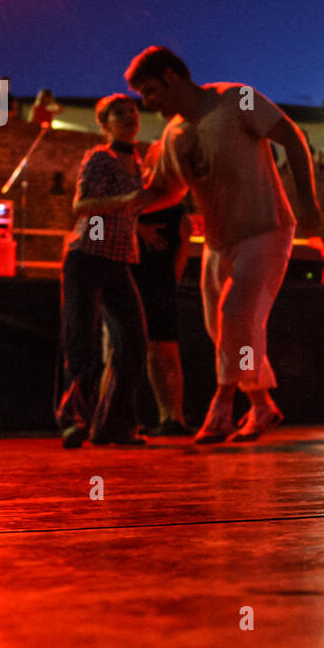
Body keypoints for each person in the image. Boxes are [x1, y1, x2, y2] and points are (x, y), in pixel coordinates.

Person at [127, 46, 322, 444]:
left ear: (170, 77)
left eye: (149, 91)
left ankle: (221, 407)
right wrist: (122, 206)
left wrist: (309, 203)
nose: (147, 103)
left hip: (266, 227)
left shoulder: (237, 98)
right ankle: (263, 405)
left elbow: (292, 137)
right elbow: (166, 190)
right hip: (218, 241)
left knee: (235, 314)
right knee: (223, 328)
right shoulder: (174, 134)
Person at [54, 93, 148, 449]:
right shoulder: (99, 157)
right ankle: (74, 420)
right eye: (119, 114)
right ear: (104, 124)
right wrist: (124, 202)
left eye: (132, 112)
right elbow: (82, 207)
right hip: (87, 258)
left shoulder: (137, 162)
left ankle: (114, 424)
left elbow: (127, 211)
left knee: (134, 341)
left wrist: (140, 226)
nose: (129, 117)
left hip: (118, 260)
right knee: (83, 339)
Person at [132, 140, 193, 436]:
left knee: (164, 350)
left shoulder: (175, 200)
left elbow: (184, 241)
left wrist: (171, 281)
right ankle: (124, 418)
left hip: (159, 281)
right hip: (134, 279)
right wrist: (138, 228)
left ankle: (173, 417)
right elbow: (110, 221)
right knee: (130, 351)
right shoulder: (137, 197)